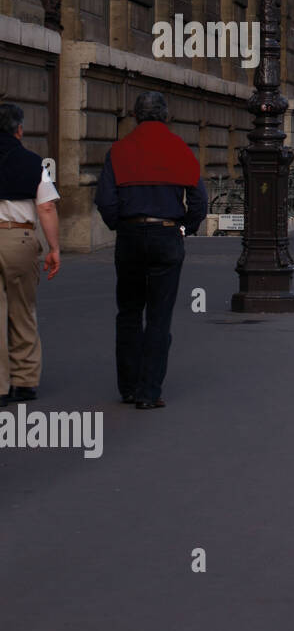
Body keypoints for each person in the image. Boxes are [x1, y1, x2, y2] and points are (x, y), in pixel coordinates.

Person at [94, 91, 207, 409]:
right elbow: (199, 199)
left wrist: (120, 223)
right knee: (159, 316)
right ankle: (148, 391)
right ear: (166, 116)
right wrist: (187, 226)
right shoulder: (179, 148)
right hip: (166, 234)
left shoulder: (119, 150)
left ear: (136, 115)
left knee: (128, 311)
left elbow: (104, 199)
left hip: (130, 235)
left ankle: (128, 386)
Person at [0, 103, 60, 406]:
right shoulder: (33, 162)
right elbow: (46, 206)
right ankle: (24, 383)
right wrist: (54, 248)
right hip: (19, 237)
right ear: (19, 130)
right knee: (22, 309)